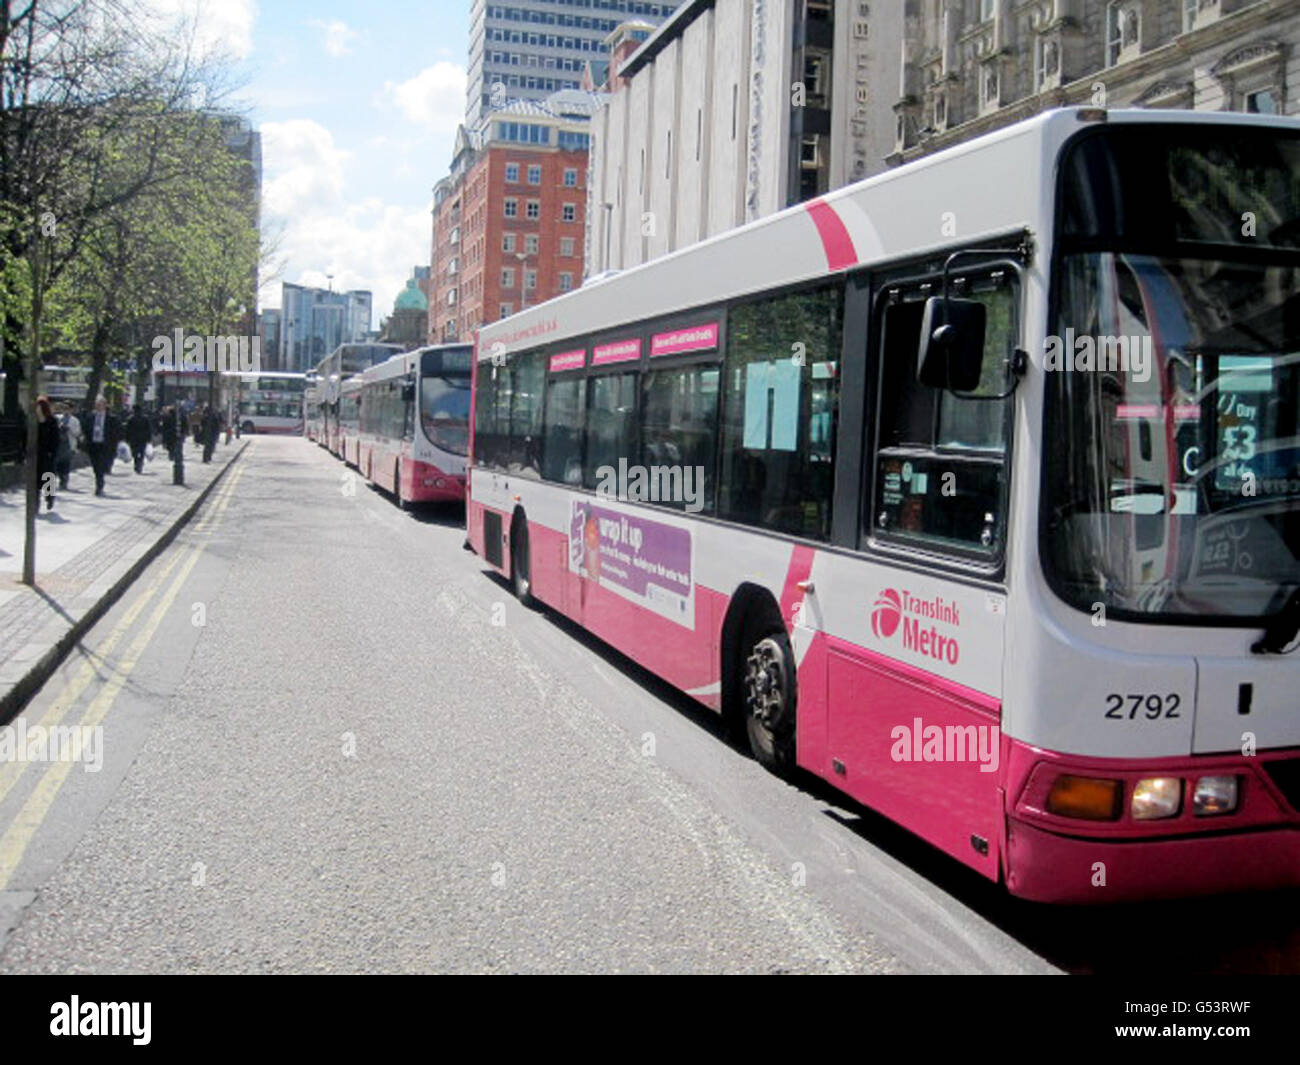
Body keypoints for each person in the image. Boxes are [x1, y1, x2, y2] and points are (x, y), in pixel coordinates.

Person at [80, 395, 120, 497]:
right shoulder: (90, 417)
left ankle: (99, 485)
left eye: (100, 405)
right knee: (95, 466)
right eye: (97, 405)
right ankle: (99, 480)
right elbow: (85, 429)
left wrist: (114, 444)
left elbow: (117, 433)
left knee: (101, 466)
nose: (98, 407)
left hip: (105, 445)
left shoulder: (111, 418)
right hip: (93, 445)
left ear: (105, 406)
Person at [35, 396, 59, 511]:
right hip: (35, 455)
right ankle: (35, 503)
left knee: (48, 478)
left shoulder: (52, 421)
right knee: (35, 481)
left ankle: (50, 498)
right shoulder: (32, 421)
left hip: (47, 454)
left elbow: (55, 439)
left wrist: (52, 452)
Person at [54, 402, 80, 490]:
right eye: (64, 408)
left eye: (68, 408)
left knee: (66, 463)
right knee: (58, 463)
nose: (66, 410)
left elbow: (77, 433)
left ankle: (64, 480)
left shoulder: (75, 420)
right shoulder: (57, 418)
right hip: (59, 444)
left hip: (69, 445)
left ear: (71, 410)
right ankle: (61, 477)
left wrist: (69, 429)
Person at [126, 405, 151, 473]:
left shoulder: (130, 418)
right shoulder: (145, 418)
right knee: (142, 451)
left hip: (133, 439)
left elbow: (128, 430)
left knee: (134, 452)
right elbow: (148, 429)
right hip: (143, 438)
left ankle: (137, 463)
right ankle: (140, 463)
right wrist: (149, 438)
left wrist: (127, 439)